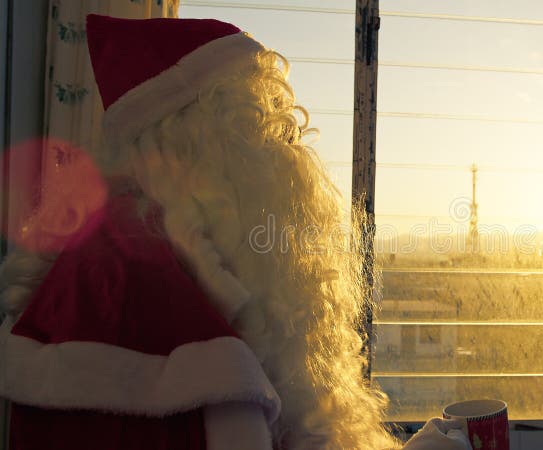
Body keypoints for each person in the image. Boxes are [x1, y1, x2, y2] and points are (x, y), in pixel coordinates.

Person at [0, 14, 471, 450]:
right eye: (264, 133)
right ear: (203, 150)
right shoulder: (135, 290)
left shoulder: (186, 260)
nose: (293, 156)